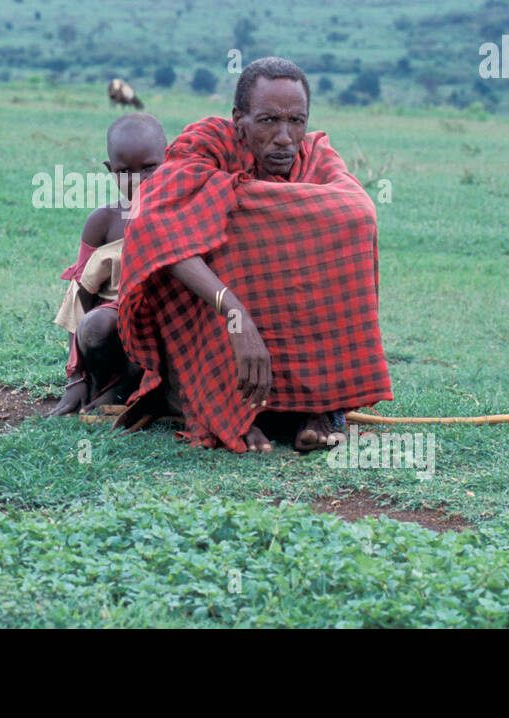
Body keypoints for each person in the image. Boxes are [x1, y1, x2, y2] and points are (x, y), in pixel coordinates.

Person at [116, 57, 394, 453]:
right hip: (219, 326)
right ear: (239, 120)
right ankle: (237, 407)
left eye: (296, 121)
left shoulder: (315, 157)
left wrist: (241, 203)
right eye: (267, 121)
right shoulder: (206, 146)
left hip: (300, 329)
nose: (284, 137)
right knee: (224, 241)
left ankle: (318, 406)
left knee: (343, 230)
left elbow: (358, 211)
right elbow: (153, 225)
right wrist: (233, 312)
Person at [50, 113, 167, 416]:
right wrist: (75, 378)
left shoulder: (182, 213)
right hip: (114, 332)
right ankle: (105, 387)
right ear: (110, 171)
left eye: (150, 168)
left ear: (169, 161)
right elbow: (79, 297)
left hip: (166, 324)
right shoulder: (103, 222)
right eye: (125, 171)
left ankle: (147, 391)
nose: (139, 179)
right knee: (97, 324)